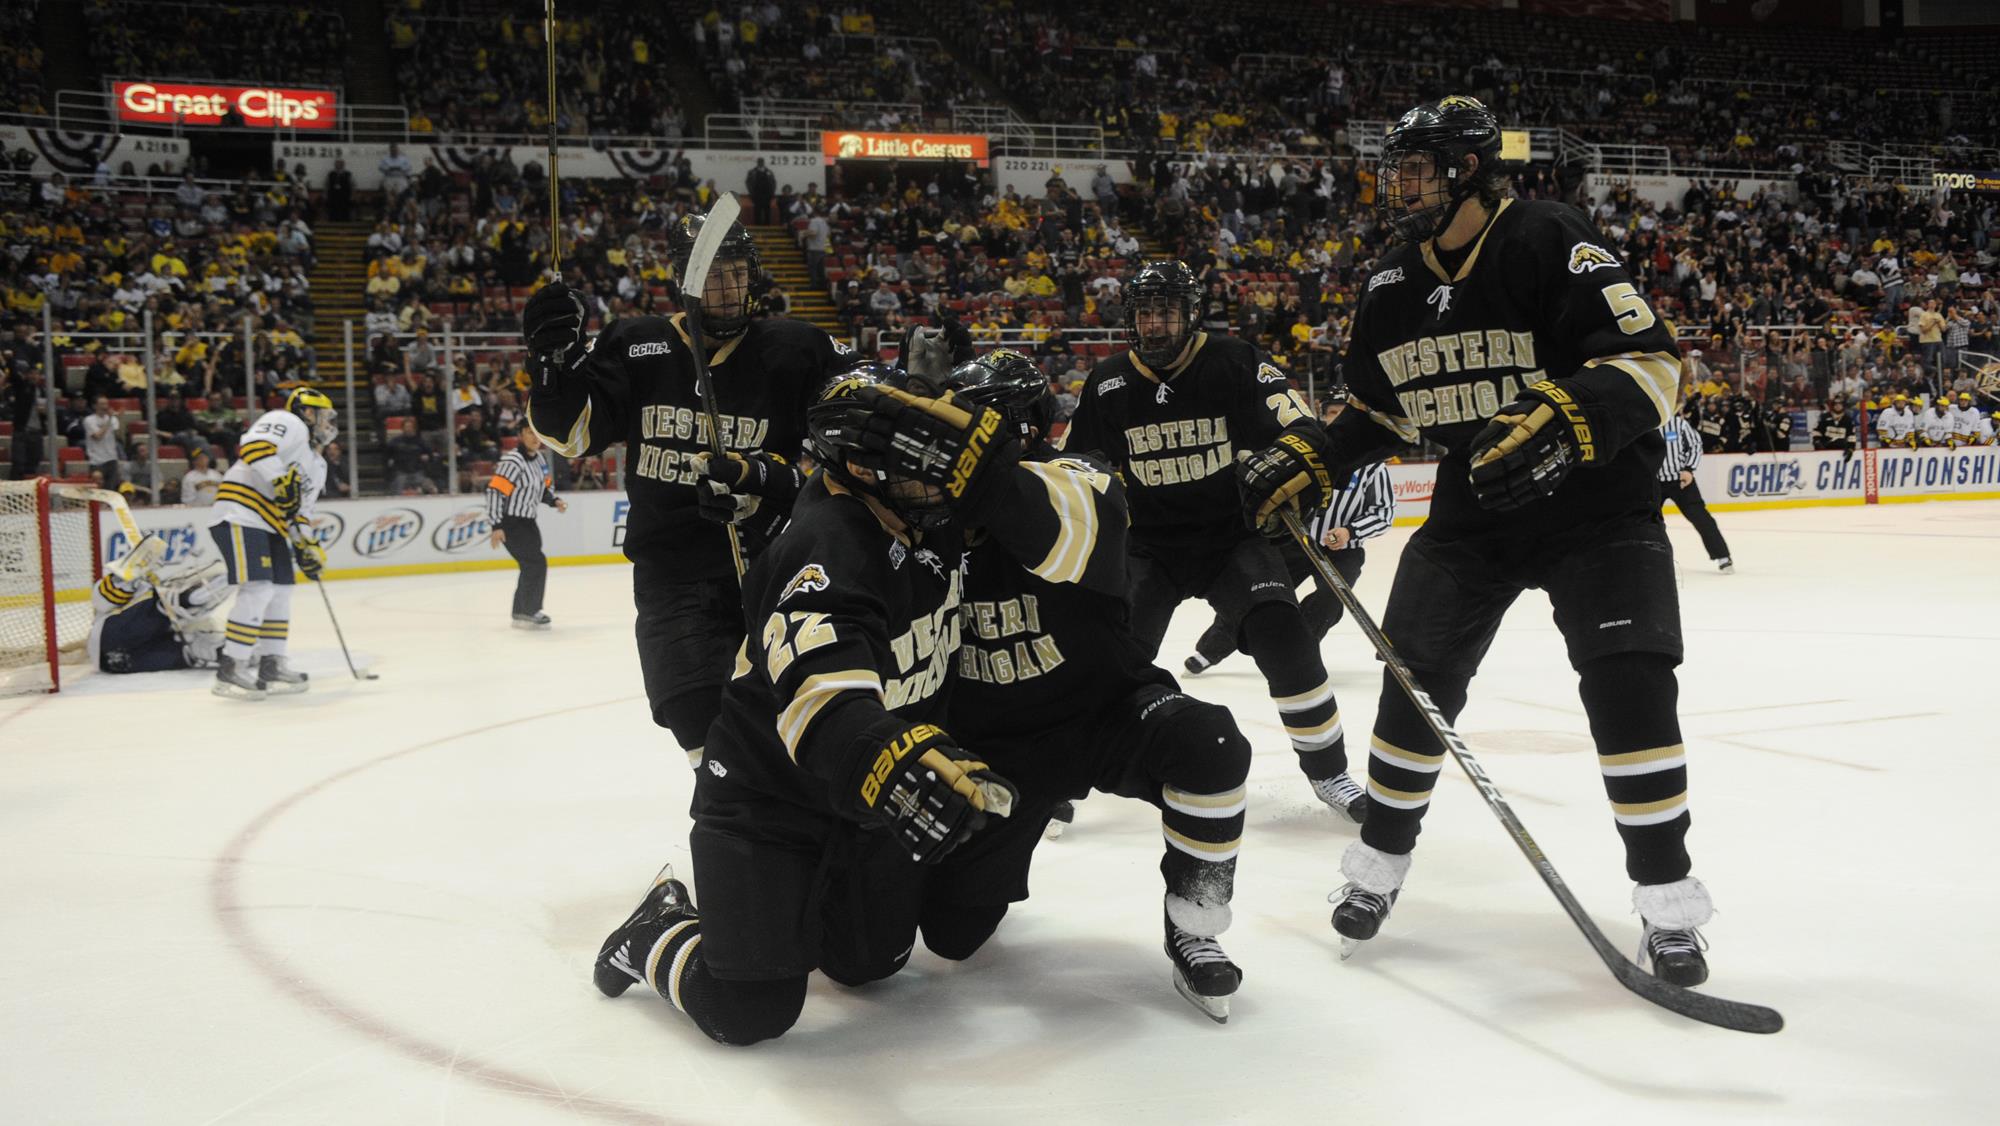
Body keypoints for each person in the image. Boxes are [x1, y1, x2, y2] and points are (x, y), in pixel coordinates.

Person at [1305, 96, 1715, 985]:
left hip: (1597, 503)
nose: (1401, 184)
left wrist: (1565, 413)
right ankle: (1375, 868)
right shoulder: (1389, 283)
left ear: (1465, 169)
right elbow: (1379, 411)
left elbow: (1651, 361)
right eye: (1399, 168)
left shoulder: (1544, 237)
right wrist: (1307, 456)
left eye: (1418, 167)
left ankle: (1669, 899)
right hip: (1475, 508)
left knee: (1630, 685)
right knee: (1412, 685)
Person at [588, 364, 1020, 1046]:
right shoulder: (828, 544)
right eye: (915, 464)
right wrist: (888, 759)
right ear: (862, 469)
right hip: (769, 798)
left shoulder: (917, 507)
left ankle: (788, 911)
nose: (940, 478)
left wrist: (757, 479)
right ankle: (657, 930)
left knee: (872, 966)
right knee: (749, 1008)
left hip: (855, 799)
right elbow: (824, 697)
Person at [877, 348, 1255, 1019]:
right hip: (995, 756)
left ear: (1033, 429)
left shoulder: (1082, 480)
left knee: (1211, 741)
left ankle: (1195, 928)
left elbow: (1032, 518)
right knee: (951, 938)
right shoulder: (930, 519)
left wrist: (971, 466)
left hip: (1103, 712)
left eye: (990, 424)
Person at [522, 213, 854, 766]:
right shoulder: (636, 342)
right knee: (699, 720)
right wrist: (552, 367)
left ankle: (786, 835)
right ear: (684, 280)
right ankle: (735, 832)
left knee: (798, 717)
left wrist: (768, 481)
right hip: (671, 573)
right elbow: (573, 435)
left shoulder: (798, 348)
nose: (725, 289)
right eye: (711, 275)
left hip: (776, 566)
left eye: (735, 273)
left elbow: (854, 448)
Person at [1059, 259, 1366, 822]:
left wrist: (1284, 455)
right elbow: (1076, 463)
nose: (1154, 326)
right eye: (1145, 313)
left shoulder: (1236, 361)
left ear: (1192, 315)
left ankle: (1330, 774)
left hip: (1233, 541)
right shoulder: (1107, 383)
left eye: (1167, 313)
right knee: (1107, 657)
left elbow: (1304, 429)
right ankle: (1062, 773)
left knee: (1288, 641)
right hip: (1148, 546)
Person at [1185, 440, 1395, 676]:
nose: (1336, 418)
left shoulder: (1372, 467)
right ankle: (1209, 651)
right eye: (1331, 412)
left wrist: (1349, 531)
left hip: (1343, 551)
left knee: (1332, 598)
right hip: (1295, 540)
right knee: (1257, 594)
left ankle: (1299, 652)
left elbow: (1383, 513)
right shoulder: (1305, 455)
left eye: (1341, 413)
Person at [207, 387, 334, 698]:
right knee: (258, 588)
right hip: (241, 514)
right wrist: (279, 479)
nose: (328, 424)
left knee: (281, 591)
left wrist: (307, 545)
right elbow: (253, 446)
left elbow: (300, 512)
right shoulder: (285, 421)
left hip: (271, 525)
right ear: (307, 412)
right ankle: (231, 668)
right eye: (324, 416)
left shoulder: (318, 465)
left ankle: (272, 664)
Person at [88, 535, 228, 673]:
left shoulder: (151, 587)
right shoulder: (144, 589)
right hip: (110, 637)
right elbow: (101, 602)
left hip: (113, 662)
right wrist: (126, 578)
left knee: (188, 649)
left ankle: (216, 650)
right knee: (162, 608)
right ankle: (180, 601)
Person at [486, 426, 568, 629]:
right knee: (535, 563)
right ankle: (528, 610)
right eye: (530, 433)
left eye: (537, 433)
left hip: (529, 522)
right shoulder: (513, 461)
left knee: (531, 564)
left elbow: (543, 487)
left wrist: (553, 500)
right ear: (520, 436)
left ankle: (520, 610)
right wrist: (497, 525)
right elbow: (495, 492)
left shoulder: (540, 460)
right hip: (511, 523)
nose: (535, 438)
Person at [1659, 414, 1732, 573]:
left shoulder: (1679, 424)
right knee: (1647, 524)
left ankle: (1723, 556)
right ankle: (1653, 561)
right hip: (1653, 482)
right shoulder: (1644, 425)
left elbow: (1695, 444)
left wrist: (1689, 469)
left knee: (1702, 518)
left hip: (1681, 482)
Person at [82, 395, 123, 489]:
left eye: (106, 403)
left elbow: (119, 436)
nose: (105, 406)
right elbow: (97, 436)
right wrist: (109, 420)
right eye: (102, 404)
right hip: (96, 460)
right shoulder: (89, 420)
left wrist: (120, 419)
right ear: (95, 406)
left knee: (111, 488)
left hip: (111, 458)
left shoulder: (113, 419)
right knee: (97, 486)